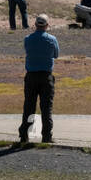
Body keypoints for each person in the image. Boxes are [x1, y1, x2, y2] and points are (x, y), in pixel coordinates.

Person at [18, 13, 59, 145]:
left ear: (35, 25)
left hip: (31, 76)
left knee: (29, 106)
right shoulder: (52, 39)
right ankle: (46, 136)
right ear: (47, 25)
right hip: (46, 76)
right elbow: (56, 55)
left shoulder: (28, 39)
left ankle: (24, 135)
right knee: (46, 107)